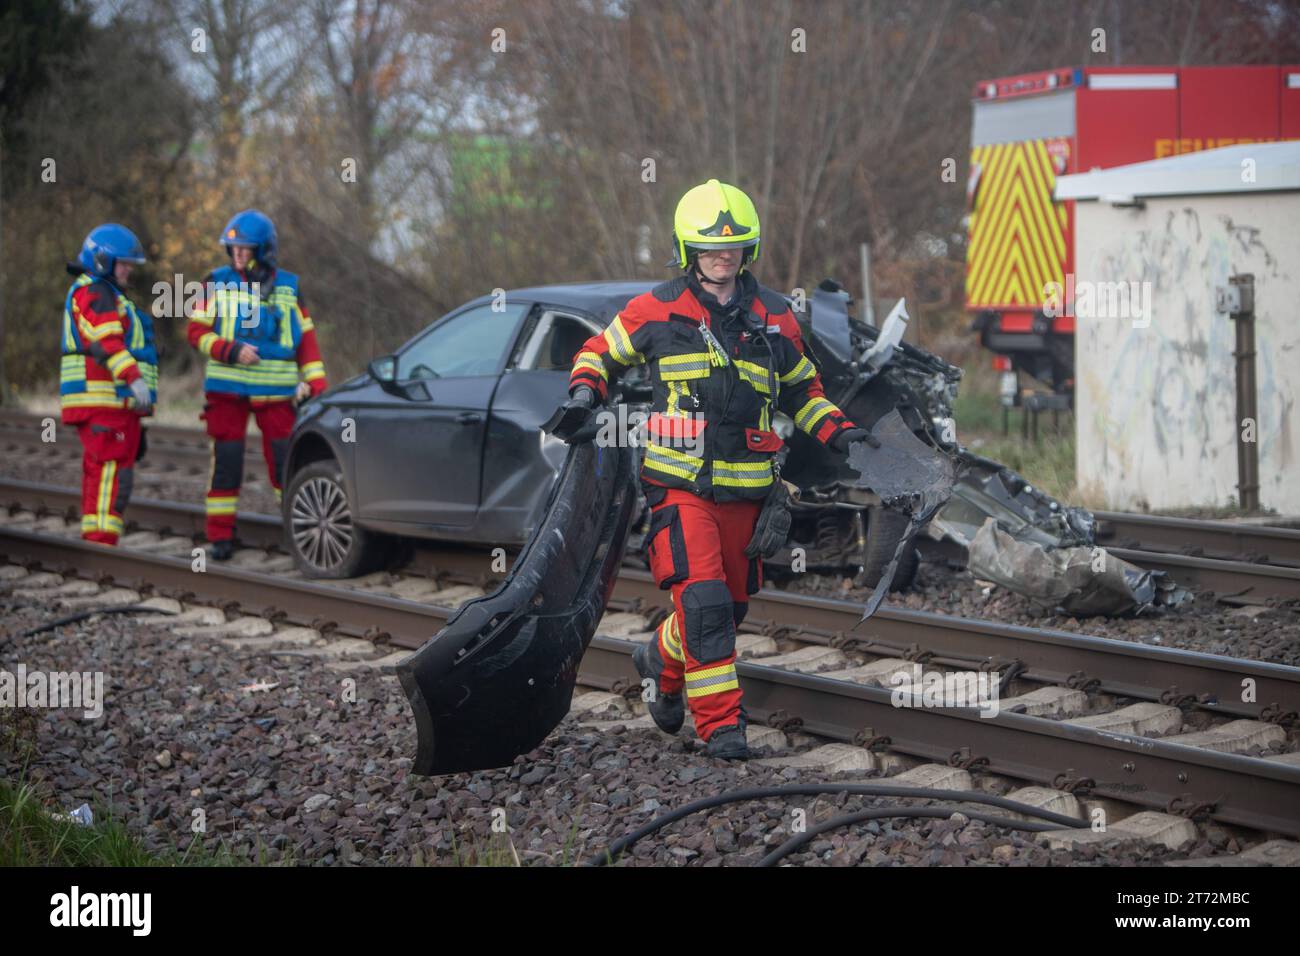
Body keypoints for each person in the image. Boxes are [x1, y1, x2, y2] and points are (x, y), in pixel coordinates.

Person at [552, 180, 874, 759]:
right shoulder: (655, 309)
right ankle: (722, 727)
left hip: (749, 492)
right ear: (688, 251)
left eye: (732, 249)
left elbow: (805, 391)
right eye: (709, 249)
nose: (722, 259)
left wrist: (845, 435)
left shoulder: (775, 315)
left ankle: (658, 657)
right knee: (703, 605)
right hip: (678, 487)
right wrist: (583, 395)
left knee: (724, 610)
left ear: (747, 250)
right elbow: (599, 351)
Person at [186, 209, 328, 560]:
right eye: (232, 249)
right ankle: (220, 537)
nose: (237, 255)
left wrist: (316, 383)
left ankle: (297, 535)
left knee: (285, 465)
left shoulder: (289, 288)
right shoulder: (215, 281)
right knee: (228, 461)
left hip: (277, 393)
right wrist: (229, 350)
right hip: (227, 391)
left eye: (244, 249)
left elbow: (306, 341)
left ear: (263, 250)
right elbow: (196, 331)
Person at [60, 224, 157, 545]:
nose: (129, 270)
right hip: (103, 400)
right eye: (124, 263)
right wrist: (135, 380)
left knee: (109, 472)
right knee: (109, 472)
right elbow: (108, 343)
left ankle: (99, 540)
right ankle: (100, 544)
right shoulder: (95, 292)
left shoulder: (108, 293)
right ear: (102, 260)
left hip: (117, 404)